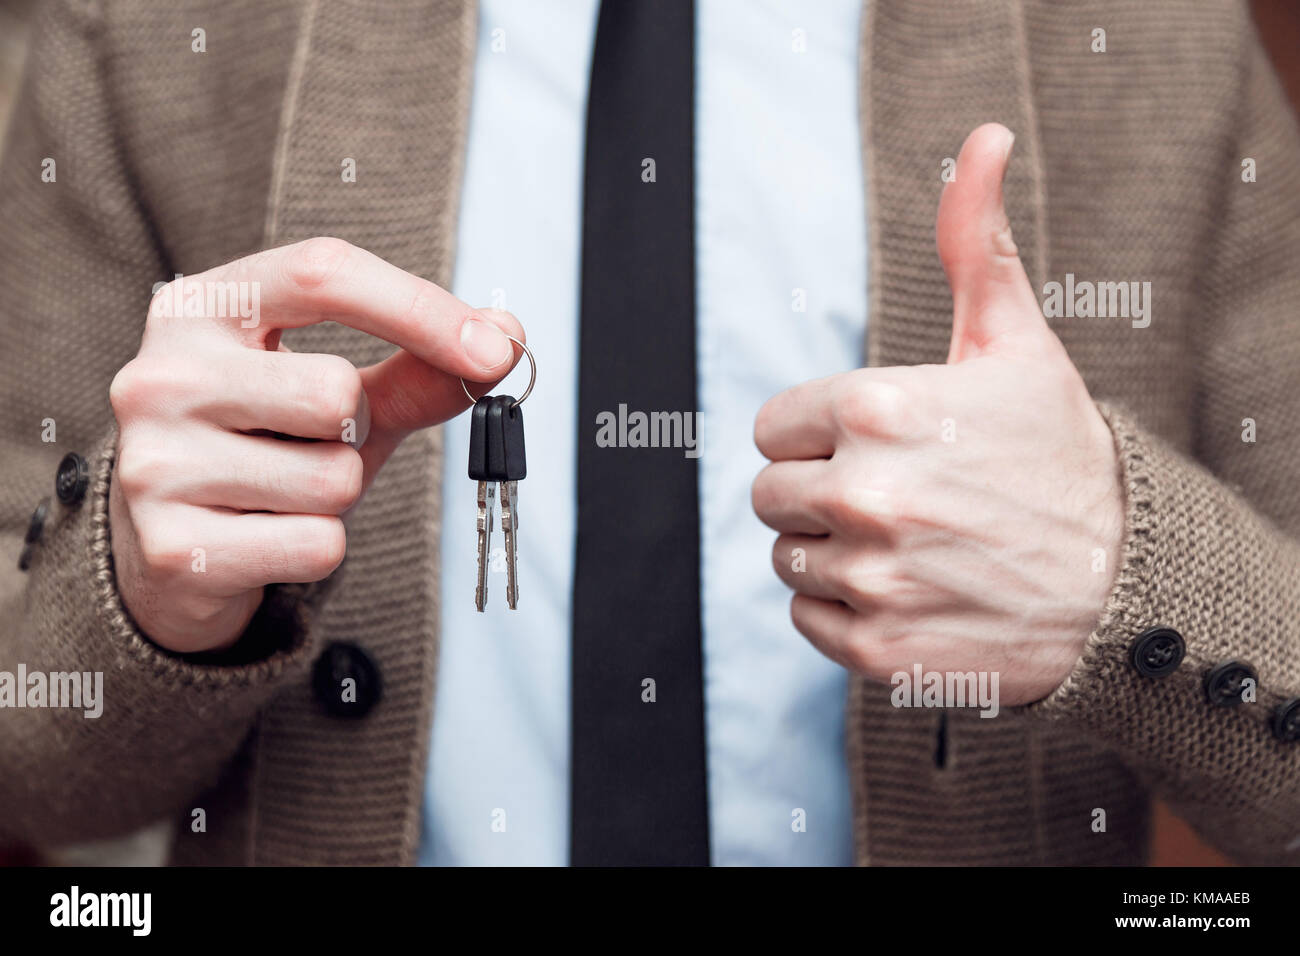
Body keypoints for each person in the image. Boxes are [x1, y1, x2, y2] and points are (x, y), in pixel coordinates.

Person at [1, 0, 1297, 867]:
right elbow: (24, 749)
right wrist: (134, 595)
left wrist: (1127, 572)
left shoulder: (1160, 40)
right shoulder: (150, 25)